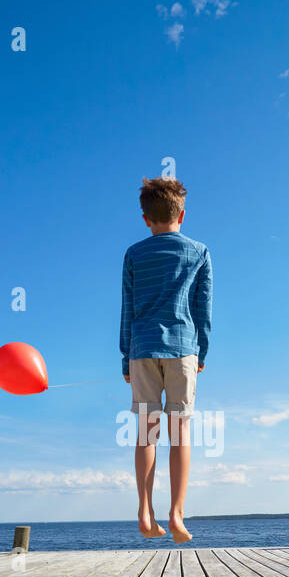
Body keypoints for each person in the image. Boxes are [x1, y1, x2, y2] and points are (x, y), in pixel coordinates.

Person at [119, 176, 212, 543]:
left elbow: (127, 309)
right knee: (180, 432)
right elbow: (202, 309)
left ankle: (145, 511)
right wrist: (202, 350)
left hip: (142, 347)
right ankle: (176, 514)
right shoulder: (199, 252)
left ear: (146, 218)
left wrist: (126, 358)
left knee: (146, 432)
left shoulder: (133, 254)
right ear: (182, 215)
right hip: (183, 347)